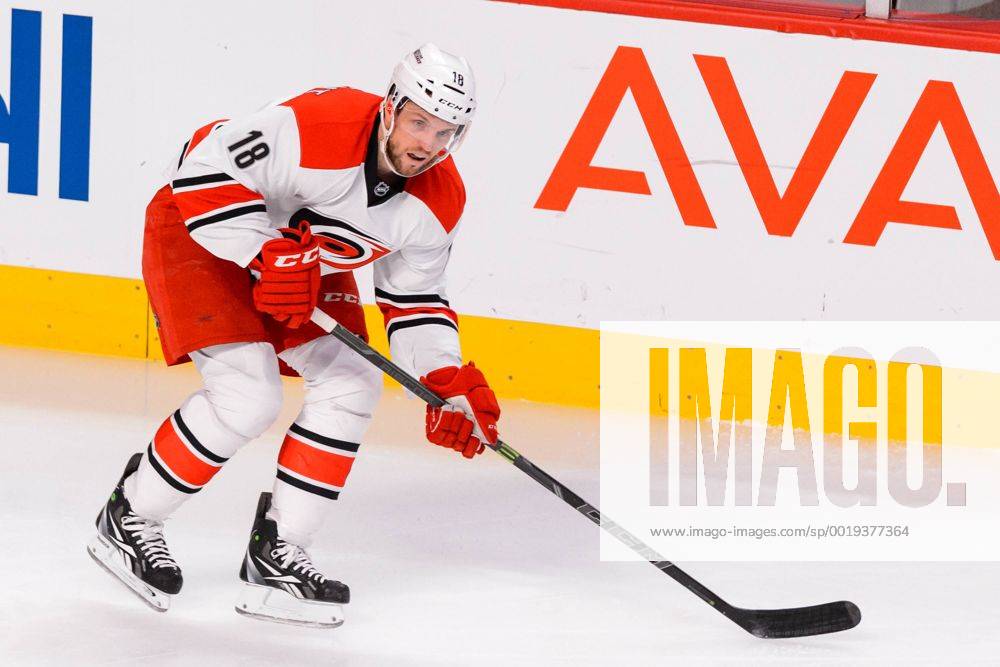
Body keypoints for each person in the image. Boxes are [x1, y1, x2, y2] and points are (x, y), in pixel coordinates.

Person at [87, 43, 501, 628]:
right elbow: (199, 164)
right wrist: (262, 251)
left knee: (354, 382)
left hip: (301, 272)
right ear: (390, 106)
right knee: (248, 396)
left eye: (446, 133)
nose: (427, 146)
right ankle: (130, 514)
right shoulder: (318, 127)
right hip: (203, 235)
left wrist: (443, 381)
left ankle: (278, 552)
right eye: (418, 123)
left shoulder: (439, 202)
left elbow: (414, 298)